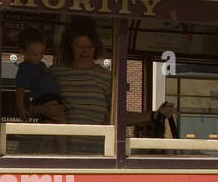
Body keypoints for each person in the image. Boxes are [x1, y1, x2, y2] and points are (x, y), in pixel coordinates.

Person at [50, 21, 173, 151]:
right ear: (69, 45)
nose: (85, 52)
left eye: (90, 46)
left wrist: (154, 115)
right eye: (80, 46)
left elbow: (118, 116)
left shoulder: (106, 77)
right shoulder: (56, 72)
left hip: (96, 152)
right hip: (59, 151)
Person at [14, 28, 65, 122]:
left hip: (53, 97)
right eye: (34, 54)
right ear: (23, 51)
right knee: (61, 119)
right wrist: (21, 109)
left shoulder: (41, 65)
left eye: (41, 53)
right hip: (43, 98)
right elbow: (20, 91)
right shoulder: (25, 68)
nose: (39, 57)